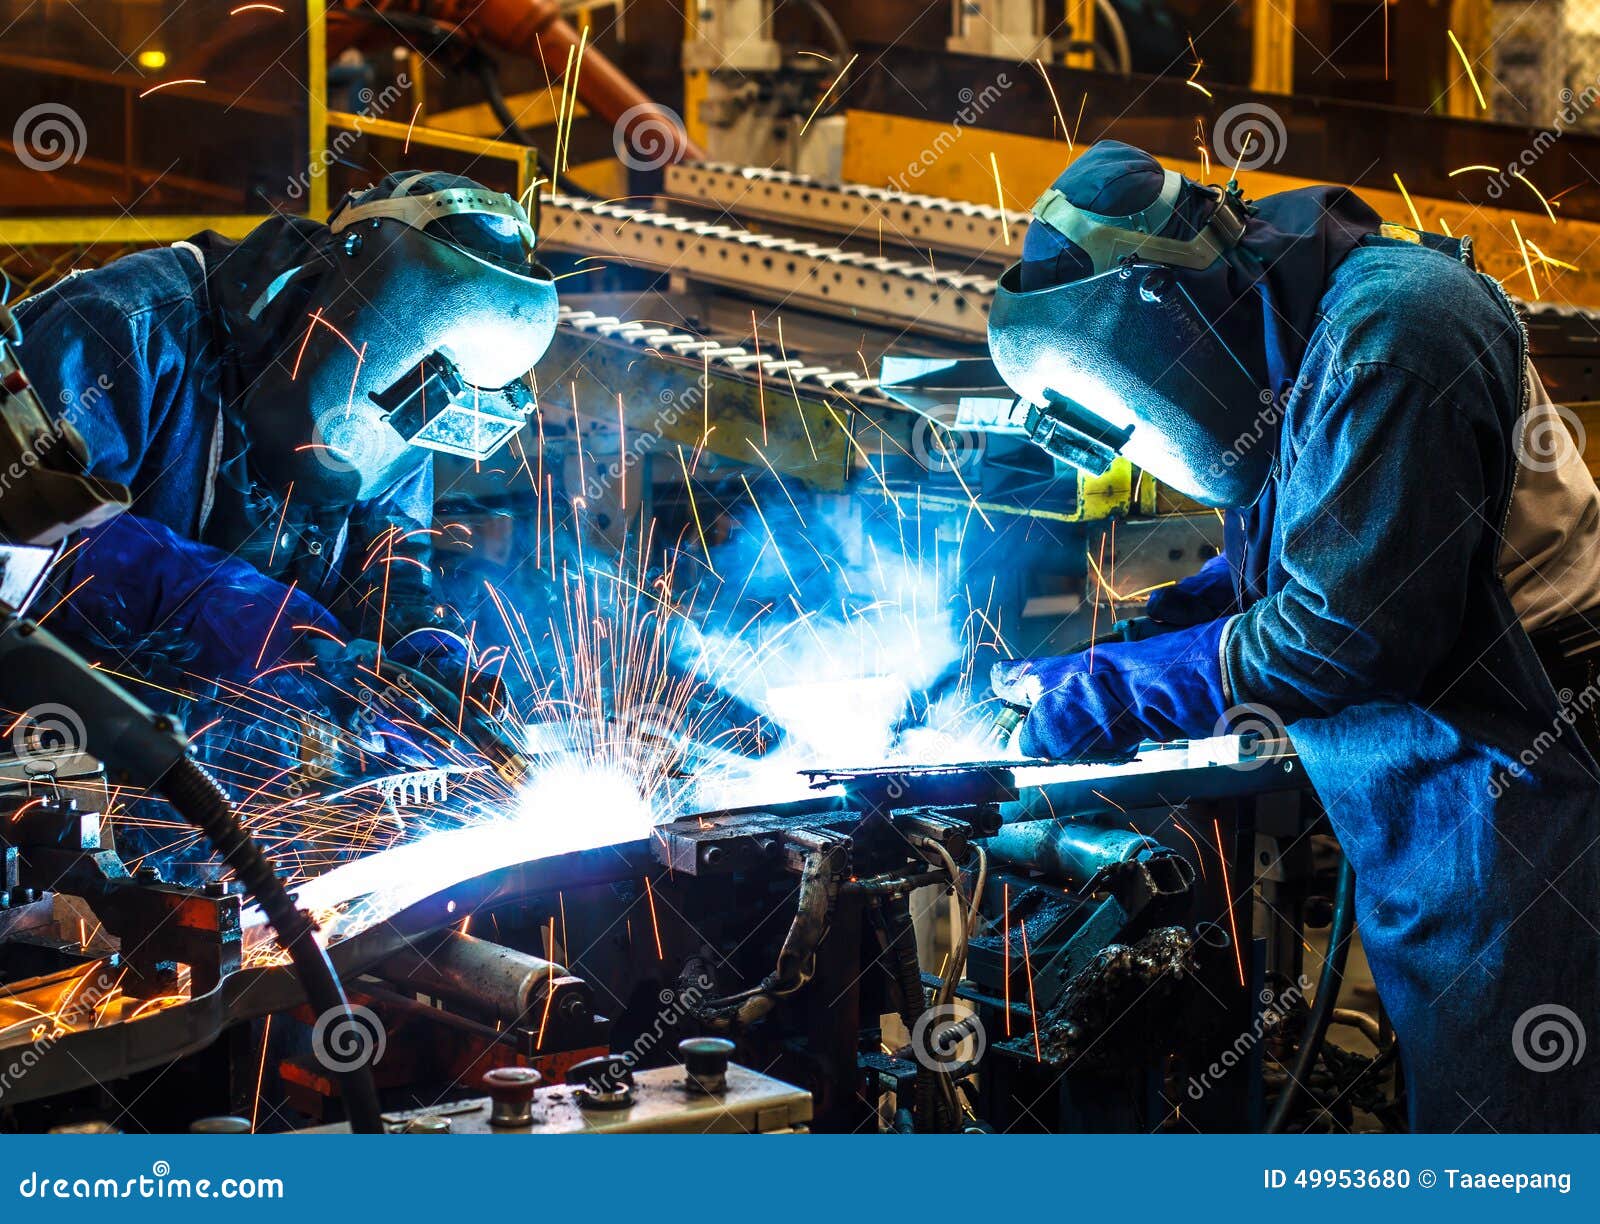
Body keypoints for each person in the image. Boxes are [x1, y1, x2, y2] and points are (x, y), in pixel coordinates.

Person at [987, 140, 1600, 1131]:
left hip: (1534, 785)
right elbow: (1328, 535)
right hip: (1450, 792)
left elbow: (1343, 628)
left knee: (1523, 1130)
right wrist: (1166, 624)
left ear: (1160, 312)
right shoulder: (1283, 323)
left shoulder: (1392, 333)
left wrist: (1117, 689)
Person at [13, 171, 558, 775]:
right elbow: (27, 538)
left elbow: (391, 553)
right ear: (351, 307)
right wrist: (216, 603)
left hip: (212, 788)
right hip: (51, 766)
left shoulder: (402, 397)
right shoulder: (125, 326)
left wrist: (425, 655)